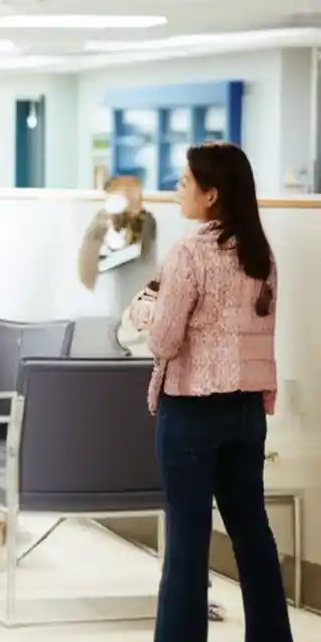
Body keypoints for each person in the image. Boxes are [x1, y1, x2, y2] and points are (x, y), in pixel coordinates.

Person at [128, 142, 292, 642]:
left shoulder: (190, 252)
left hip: (191, 414)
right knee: (253, 534)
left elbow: (163, 340)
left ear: (212, 194)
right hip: (247, 411)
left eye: (185, 181)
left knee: (187, 541)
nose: (179, 187)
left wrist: (143, 308)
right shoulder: (260, 251)